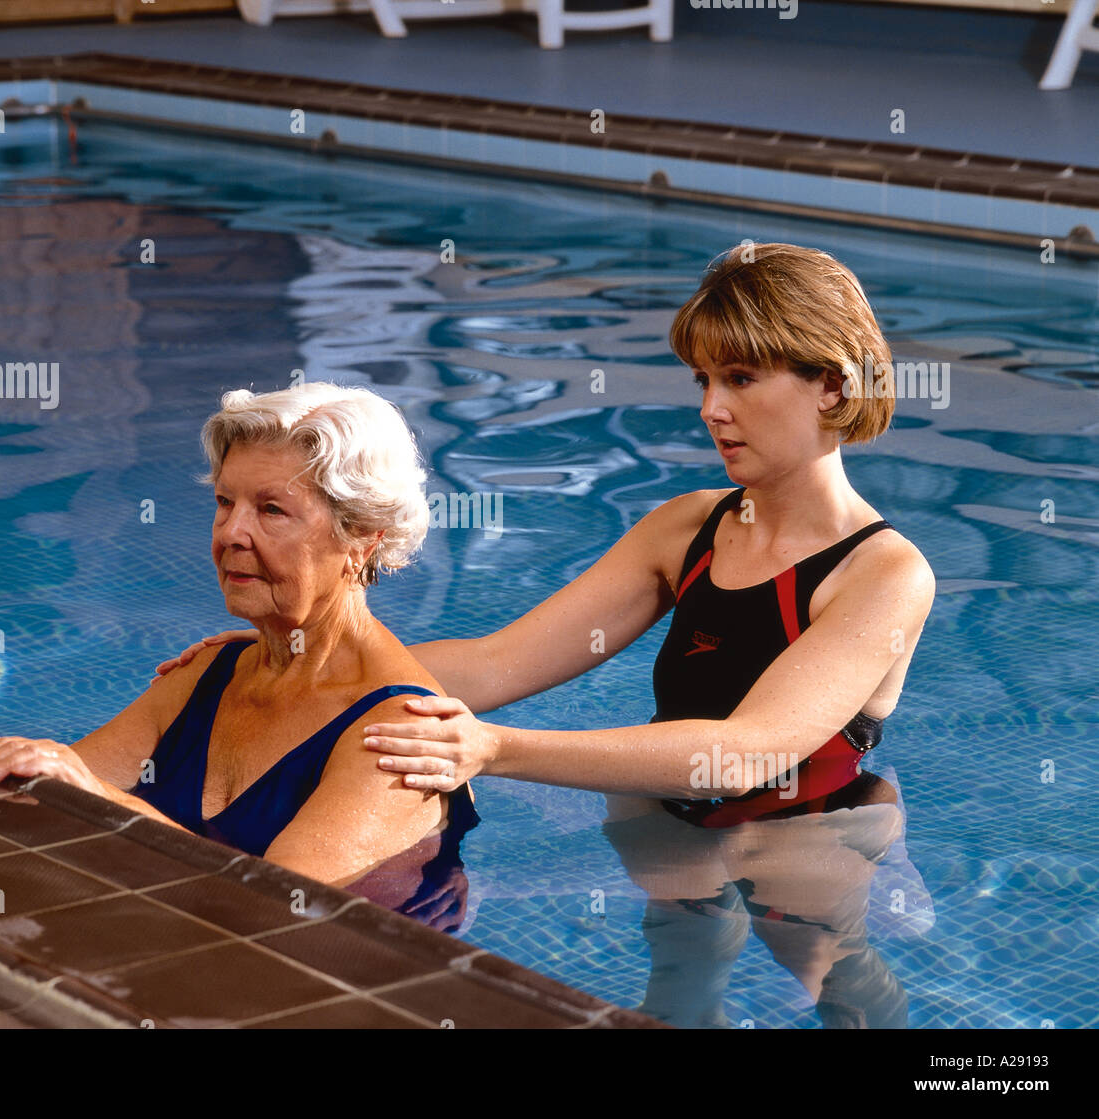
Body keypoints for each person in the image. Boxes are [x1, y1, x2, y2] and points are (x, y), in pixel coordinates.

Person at [154, 243, 935, 1020]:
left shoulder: (884, 574)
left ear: (832, 385)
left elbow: (744, 754)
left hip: (805, 835)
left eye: (740, 378)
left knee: (830, 973)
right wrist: (290, 661)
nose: (710, 409)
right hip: (666, 815)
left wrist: (496, 749)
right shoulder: (688, 529)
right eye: (703, 380)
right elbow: (494, 662)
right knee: (681, 981)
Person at [0, 382, 477, 921]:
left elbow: (277, 912)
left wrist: (93, 793)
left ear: (363, 538)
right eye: (224, 502)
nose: (231, 533)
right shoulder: (208, 674)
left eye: (272, 510)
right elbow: (32, 798)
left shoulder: (405, 738)